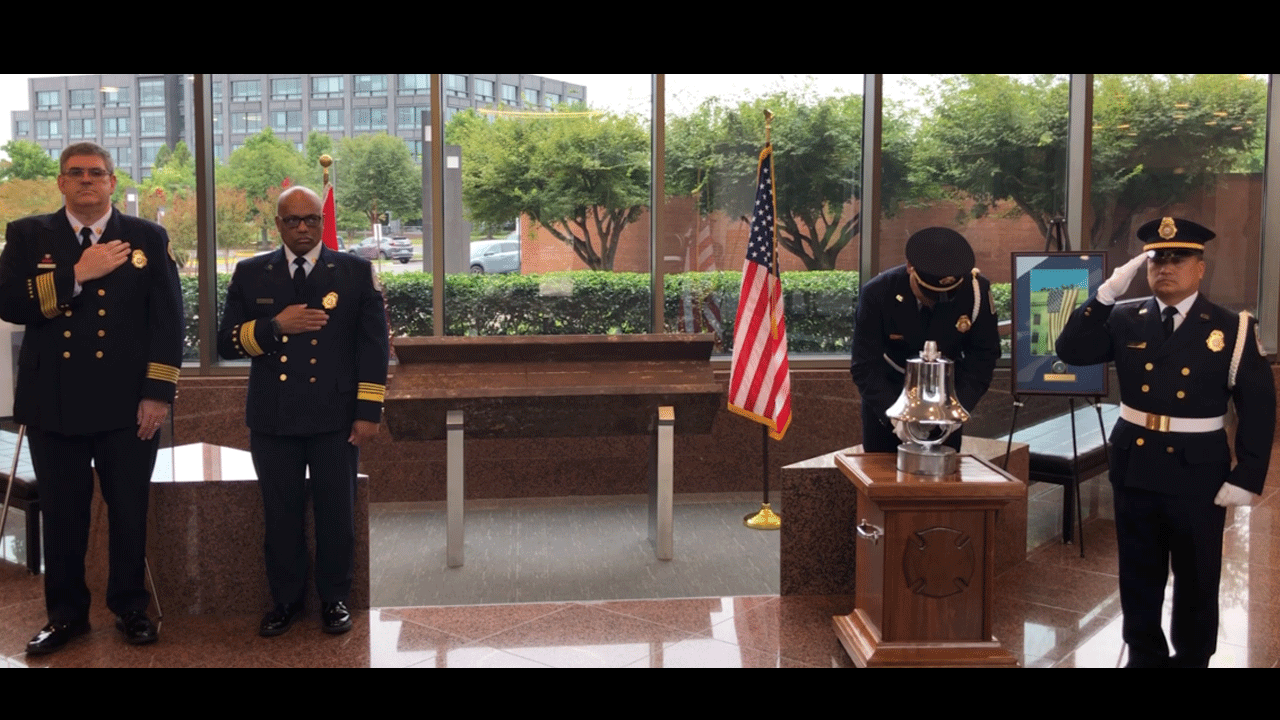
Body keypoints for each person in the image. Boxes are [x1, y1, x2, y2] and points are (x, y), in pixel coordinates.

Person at [1055, 217, 1274, 667]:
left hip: (1197, 469)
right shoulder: (1123, 316)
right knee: (1138, 571)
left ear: (1200, 267)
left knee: (1197, 574)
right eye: (1156, 259)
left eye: (1179, 259)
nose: (1165, 268)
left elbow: (1258, 406)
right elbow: (1071, 350)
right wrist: (1104, 295)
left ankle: (1193, 657)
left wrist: (1247, 474)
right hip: (1136, 460)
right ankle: (1144, 655)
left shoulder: (1231, 328)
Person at [0, 142, 184, 654]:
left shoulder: (146, 236)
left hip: (129, 408)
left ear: (111, 180)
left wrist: (158, 394)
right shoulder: (28, 234)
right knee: (63, 514)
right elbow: (11, 303)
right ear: (60, 182)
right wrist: (77, 273)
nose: (86, 180)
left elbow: (169, 323)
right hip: (53, 403)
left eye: (96, 173)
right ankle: (65, 616)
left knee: (128, 509)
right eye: (75, 173)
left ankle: (129, 607)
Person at [218, 186, 389, 637]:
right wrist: (276, 327)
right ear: (278, 225)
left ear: (322, 221)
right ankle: (286, 601)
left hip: (335, 419)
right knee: (281, 515)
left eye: (310, 219)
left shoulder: (354, 271)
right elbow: (226, 342)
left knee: (337, 513)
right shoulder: (252, 272)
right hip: (274, 418)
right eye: (291, 220)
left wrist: (368, 410)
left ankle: (335, 600)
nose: (302, 228)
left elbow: (372, 348)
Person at [850, 227, 1000, 451]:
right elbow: (865, 365)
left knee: (942, 481)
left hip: (946, 402)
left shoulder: (976, 290)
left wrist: (958, 410)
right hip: (888, 399)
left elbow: (983, 357)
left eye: (948, 295)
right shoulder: (878, 293)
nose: (937, 302)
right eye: (928, 292)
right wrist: (895, 417)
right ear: (910, 267)